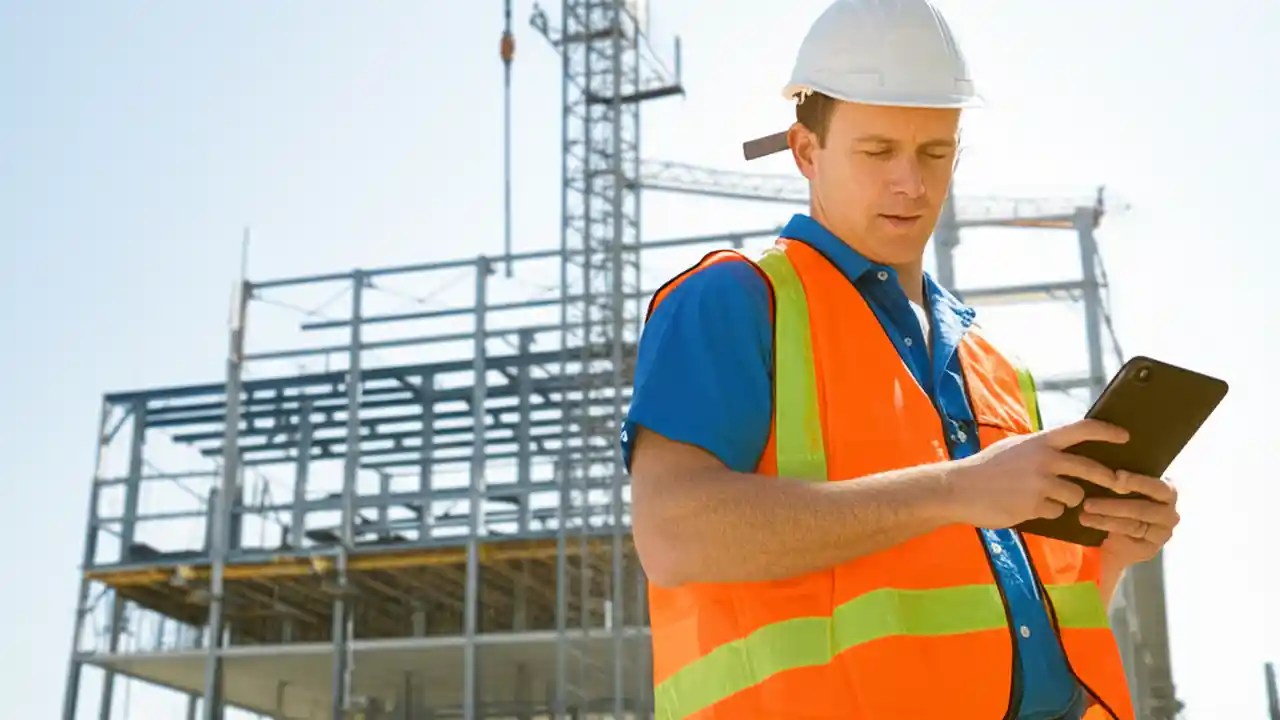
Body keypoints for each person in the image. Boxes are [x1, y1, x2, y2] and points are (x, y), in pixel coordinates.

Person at [621, 1, 1181, 718]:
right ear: (806, 151)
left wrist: (1112, 552)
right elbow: (673, 535)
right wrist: (956, 489)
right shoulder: (735, 300)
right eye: (878, 151)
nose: (911, 184)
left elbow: (1014, 627)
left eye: (935, 153)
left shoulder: (996, 368)